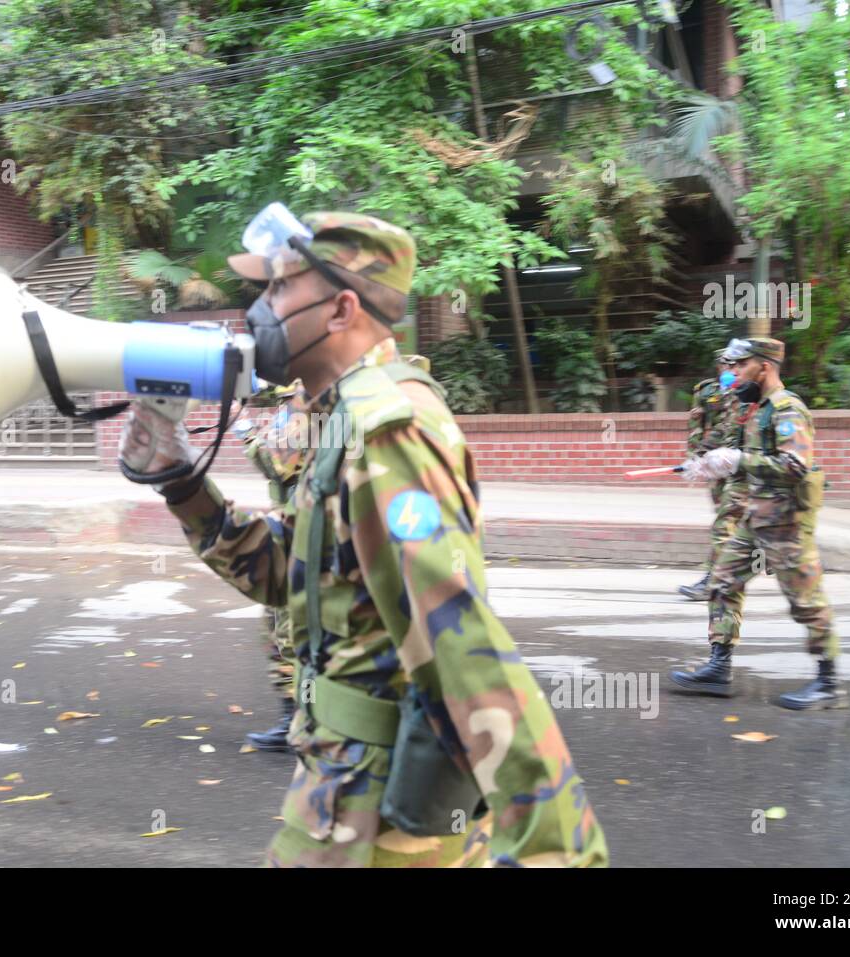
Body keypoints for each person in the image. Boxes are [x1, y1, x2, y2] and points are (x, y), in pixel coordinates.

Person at [119, 207, 607, 867]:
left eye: (277, 289)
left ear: (342, 309)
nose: (258, 309)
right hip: (341, 777)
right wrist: (180, 480)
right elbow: (294, 577)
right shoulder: (340, 418)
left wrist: (555, 847)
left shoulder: (386, 428)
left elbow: (461, 640)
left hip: (375, 807)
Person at [670, 337, 846, 711]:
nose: (732, 374)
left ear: (763, 366)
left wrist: (738, 460)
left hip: (787, 524)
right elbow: (738, 453)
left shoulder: (787, 409)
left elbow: (795, 465)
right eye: (731, 366)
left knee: (806, 602)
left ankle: (829, 683)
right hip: (755, 518)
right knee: (722, 581)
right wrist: (705, 465)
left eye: (740, 366)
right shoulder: (754, 407)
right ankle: (719, 667)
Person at [237, 381, 309, 751]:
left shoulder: (300, 400)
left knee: (284, 630)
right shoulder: (312, 394)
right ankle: (300, 718)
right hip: (306, 527)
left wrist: (243, 427)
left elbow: (277, 464)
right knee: (285, 628)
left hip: (300, 532)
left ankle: (298, 722)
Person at [679, 349, 748, 600]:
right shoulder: (709, 390)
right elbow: (697, 424)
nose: (730, 371)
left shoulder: (751, 392)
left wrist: (710, 452)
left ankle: (714, 581)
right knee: (730, 518)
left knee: (725, 524)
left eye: (736, 365)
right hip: (721, 464)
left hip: (745, 467)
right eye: (726, 365)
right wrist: (694, 457)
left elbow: (729, 427)